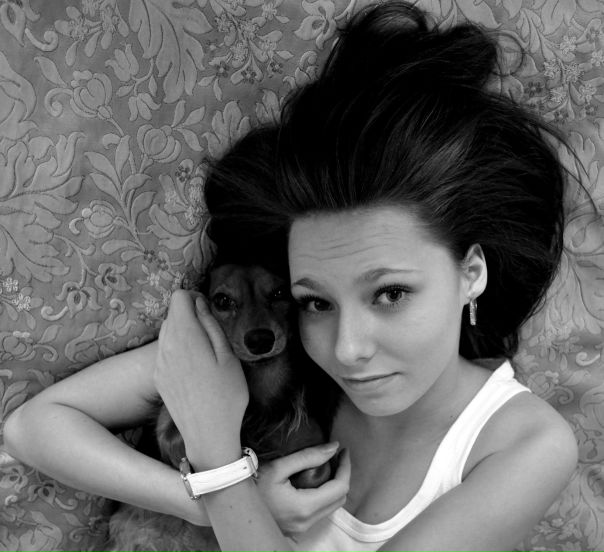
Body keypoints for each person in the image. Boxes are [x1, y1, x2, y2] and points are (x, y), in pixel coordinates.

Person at [4, 2, 578, 552]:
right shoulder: (269, 351)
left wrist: (220, 463)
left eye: (390, 293)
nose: (347, 350)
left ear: (471, 272)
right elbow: (34, 428)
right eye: (316, 302)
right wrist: (200, 500)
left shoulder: (523, 444)